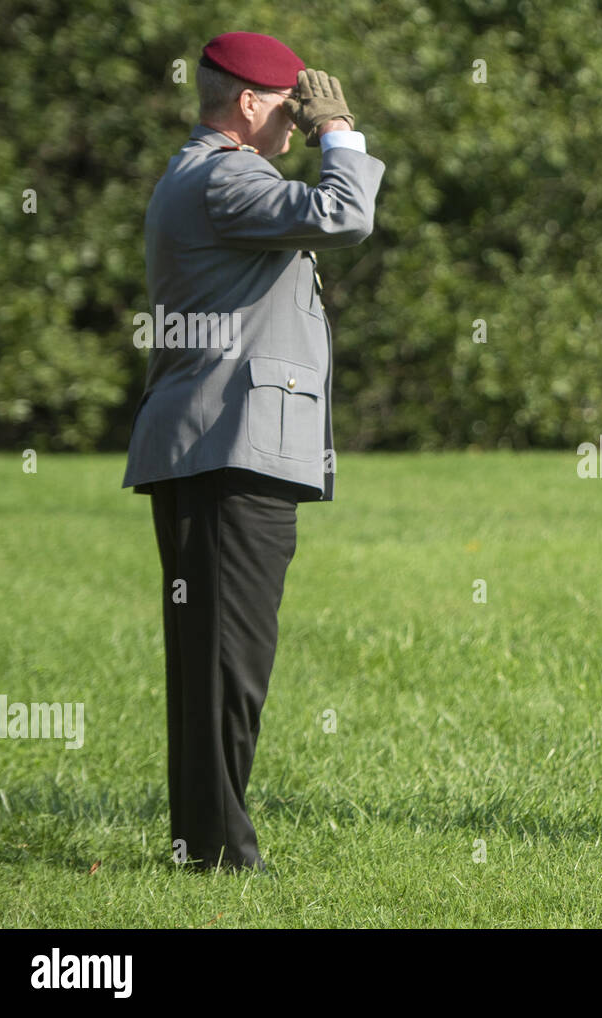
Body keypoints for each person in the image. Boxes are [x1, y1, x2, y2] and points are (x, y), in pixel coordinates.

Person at [122, 31, 385, 871]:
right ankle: (219, 851)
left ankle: (203, 842)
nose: (300, 118)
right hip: (228, 449)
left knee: (216, 660)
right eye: (290, 105)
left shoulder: (192, 172)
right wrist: (342, 133)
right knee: (229, 664)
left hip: (211, 445)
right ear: (247, 103)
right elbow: (344, 214)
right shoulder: (228, 175)